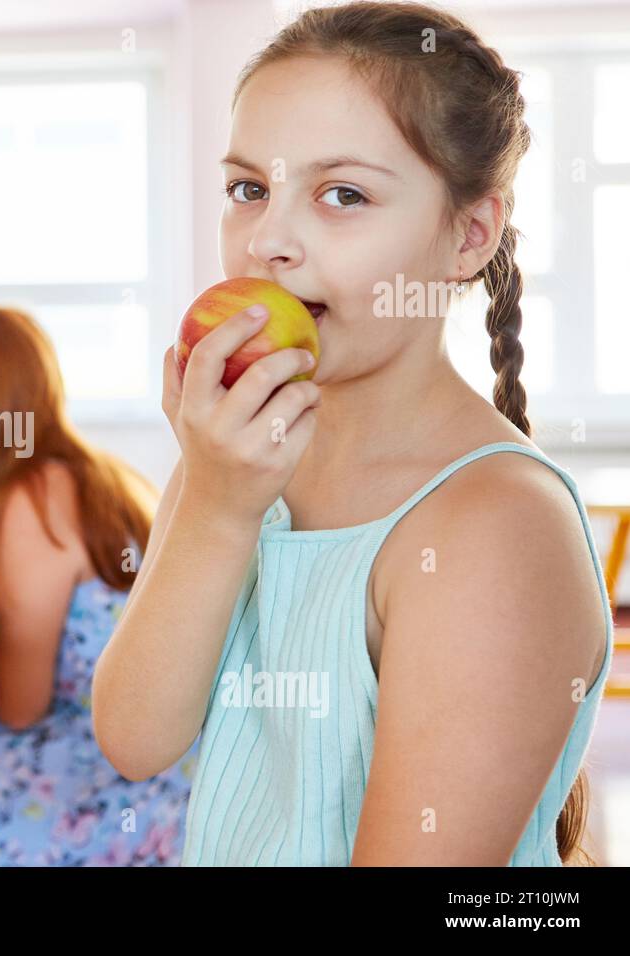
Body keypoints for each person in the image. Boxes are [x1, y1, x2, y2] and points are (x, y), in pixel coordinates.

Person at [93, 1, 613, 866]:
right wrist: (216, 508)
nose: (268, 240)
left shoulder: (493, 526)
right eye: (249, 188)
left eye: (343, 195)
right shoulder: (234, 459)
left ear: (469, 236)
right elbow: (135, 738)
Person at [0, 307, 199, 866]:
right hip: (154, 787)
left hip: (102, 798)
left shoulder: (29, 505)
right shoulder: (88, 475)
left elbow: (20, 708)